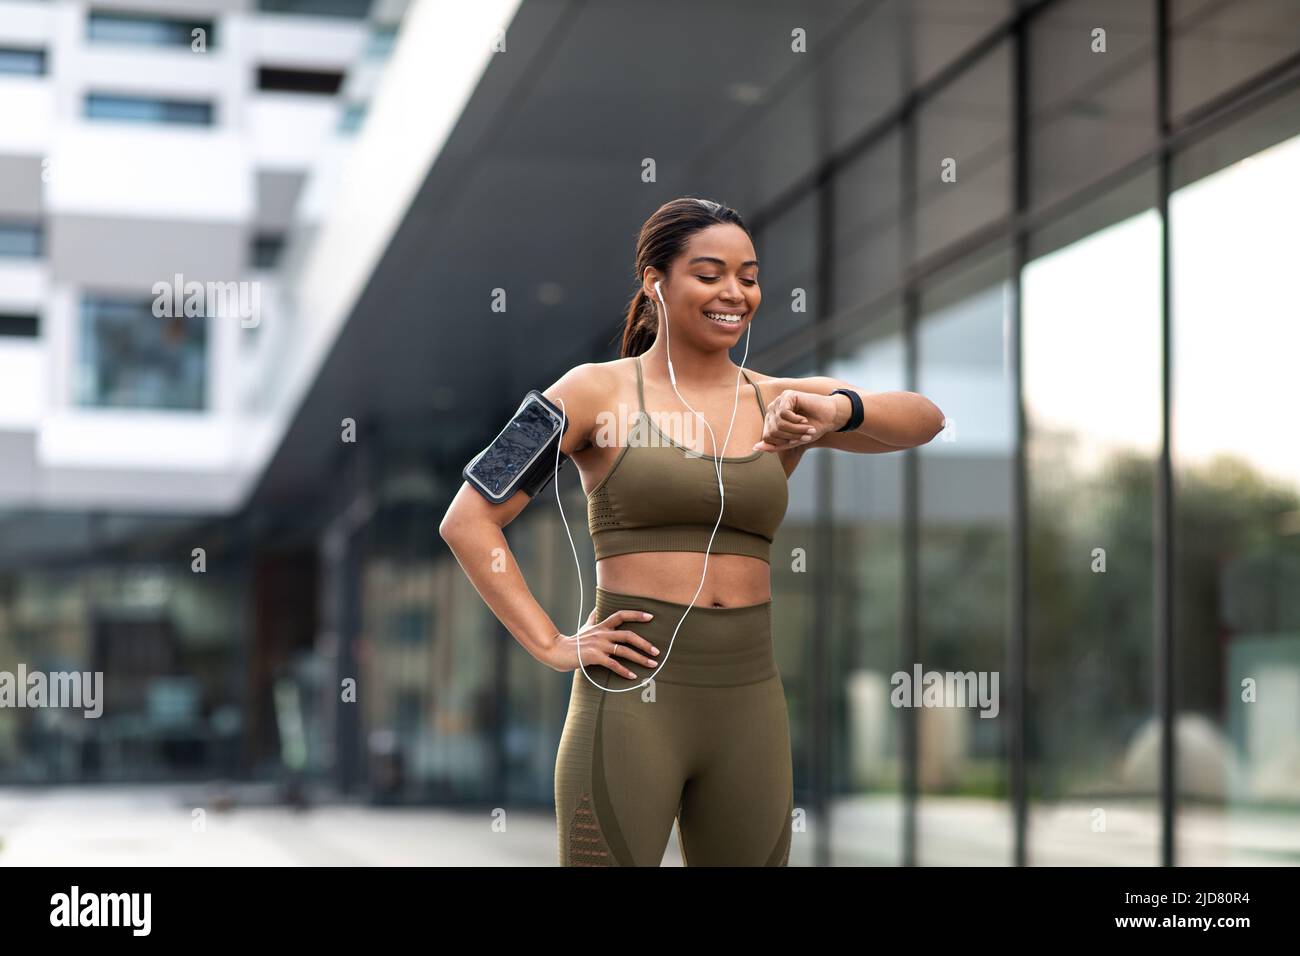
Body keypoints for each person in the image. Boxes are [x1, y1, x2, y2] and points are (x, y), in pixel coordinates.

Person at [439, 197, 945, 866]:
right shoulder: (591, 392)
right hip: (629, 700)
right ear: (656, 281)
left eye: (749, 275)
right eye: (709, 274)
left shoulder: (782, 403)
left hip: (749, 701)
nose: (734, 292)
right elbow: (470, 519)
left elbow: (926, 417)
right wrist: (554, 644)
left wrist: (834, 410)